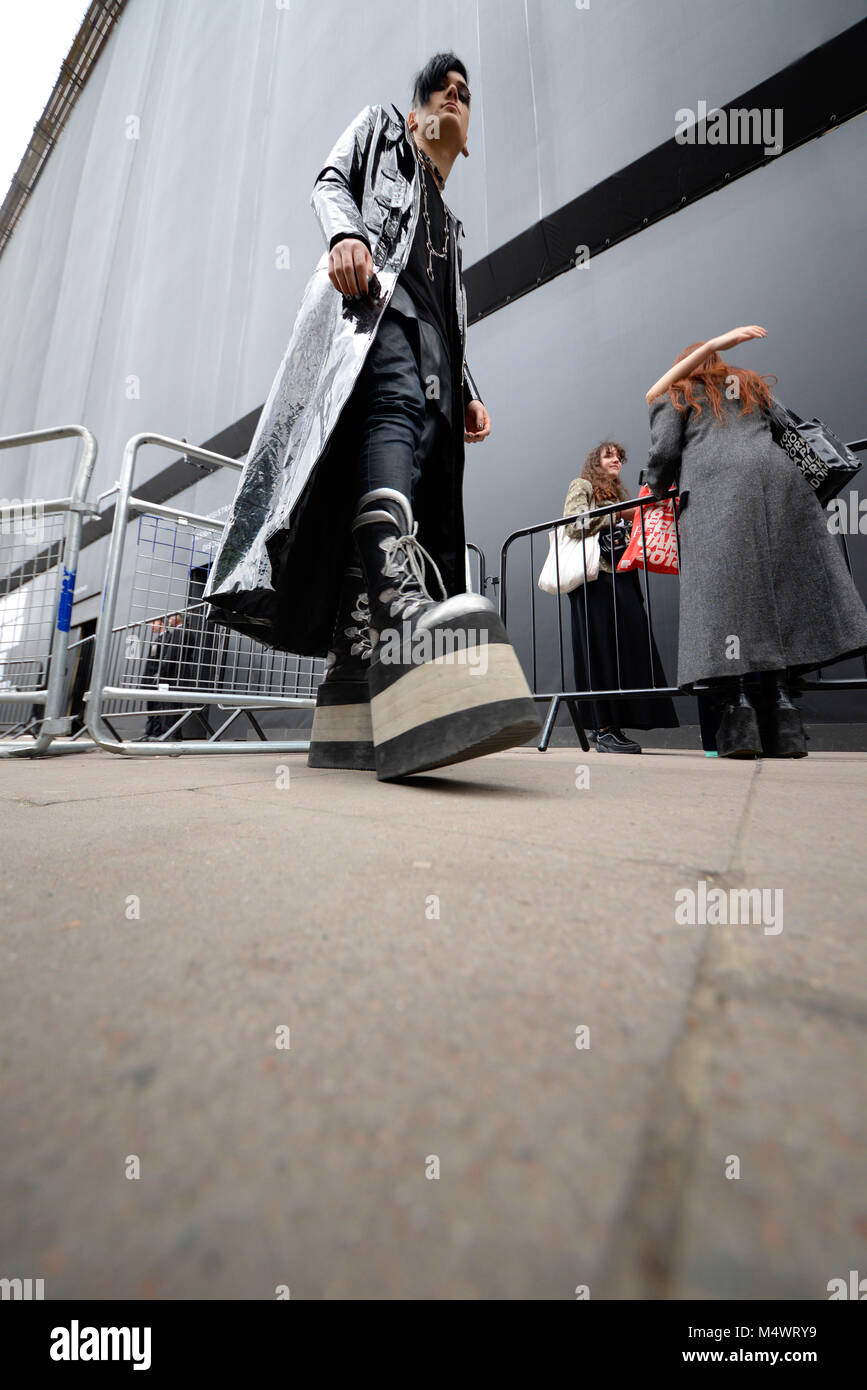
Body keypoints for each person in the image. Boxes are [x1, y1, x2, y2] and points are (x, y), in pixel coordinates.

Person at [203, 54, 540, 779]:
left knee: (412, 460)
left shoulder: (451, 222)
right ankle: (398, 597)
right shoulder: (381, 128)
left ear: (468, 135)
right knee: (390, 411)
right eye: (440, 91)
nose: (454, 97)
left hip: (427, 347)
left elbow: (446, 313)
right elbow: (328, 181)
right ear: (416, 114)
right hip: (369, 310)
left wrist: (466, 384)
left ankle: (352, 694)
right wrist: (343, 236)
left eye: (465, 95)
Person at [644, 325, 867, 757]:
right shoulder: (747, 386)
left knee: (729, 603)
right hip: (780, 487)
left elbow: (664, 454)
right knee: (777, 596)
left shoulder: (680, 392)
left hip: (718, 494)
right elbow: (790, 430)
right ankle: (783, 714)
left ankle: (739, 713)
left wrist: (655, 486)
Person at [562, 441, 680, 752]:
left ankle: (614, 726)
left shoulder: (618, 494)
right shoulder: (583, 484)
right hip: (594, 581)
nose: (616, 460)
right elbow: (574, 523)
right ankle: (602, 729)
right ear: (594, 461)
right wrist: (617, 514)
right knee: (598, 653)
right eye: (608, 455)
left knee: (624, 652)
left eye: (619, 456)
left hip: (622, 579)